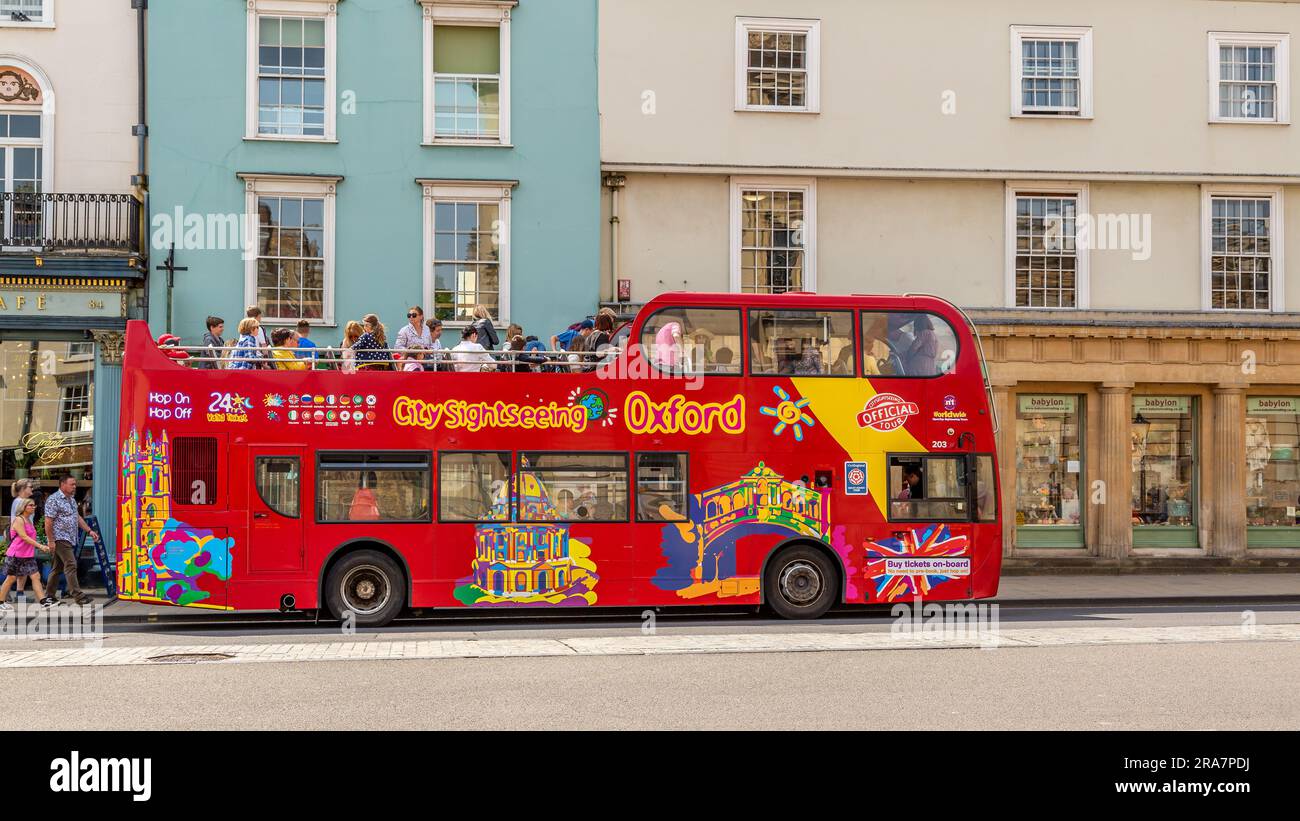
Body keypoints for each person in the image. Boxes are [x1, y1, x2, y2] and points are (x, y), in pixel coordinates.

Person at [43, 474, 97, 606]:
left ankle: (49, 596)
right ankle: (78, 596)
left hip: (70, 538)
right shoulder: (53, 500)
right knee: (71, 564)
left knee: (57, 568)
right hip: (60, 538)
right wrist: (51, 541)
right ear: (62, 485)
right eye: (72, 484)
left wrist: (89, 530)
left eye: (75, 484)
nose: (74, 487)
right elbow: (48, 522)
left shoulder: (71, 499)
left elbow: (77, 517)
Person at [0, 498, 54, 611]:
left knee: (36, 577)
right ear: (24, 507)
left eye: (34, 505)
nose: (34, 507)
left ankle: (43, 602)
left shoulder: (29, 520)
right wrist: (40, 546)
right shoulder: (19, 520)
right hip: (16, 554)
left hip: (27, 555)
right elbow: (24, 537)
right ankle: (0, 602)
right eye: (31, 505)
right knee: (11, 578)